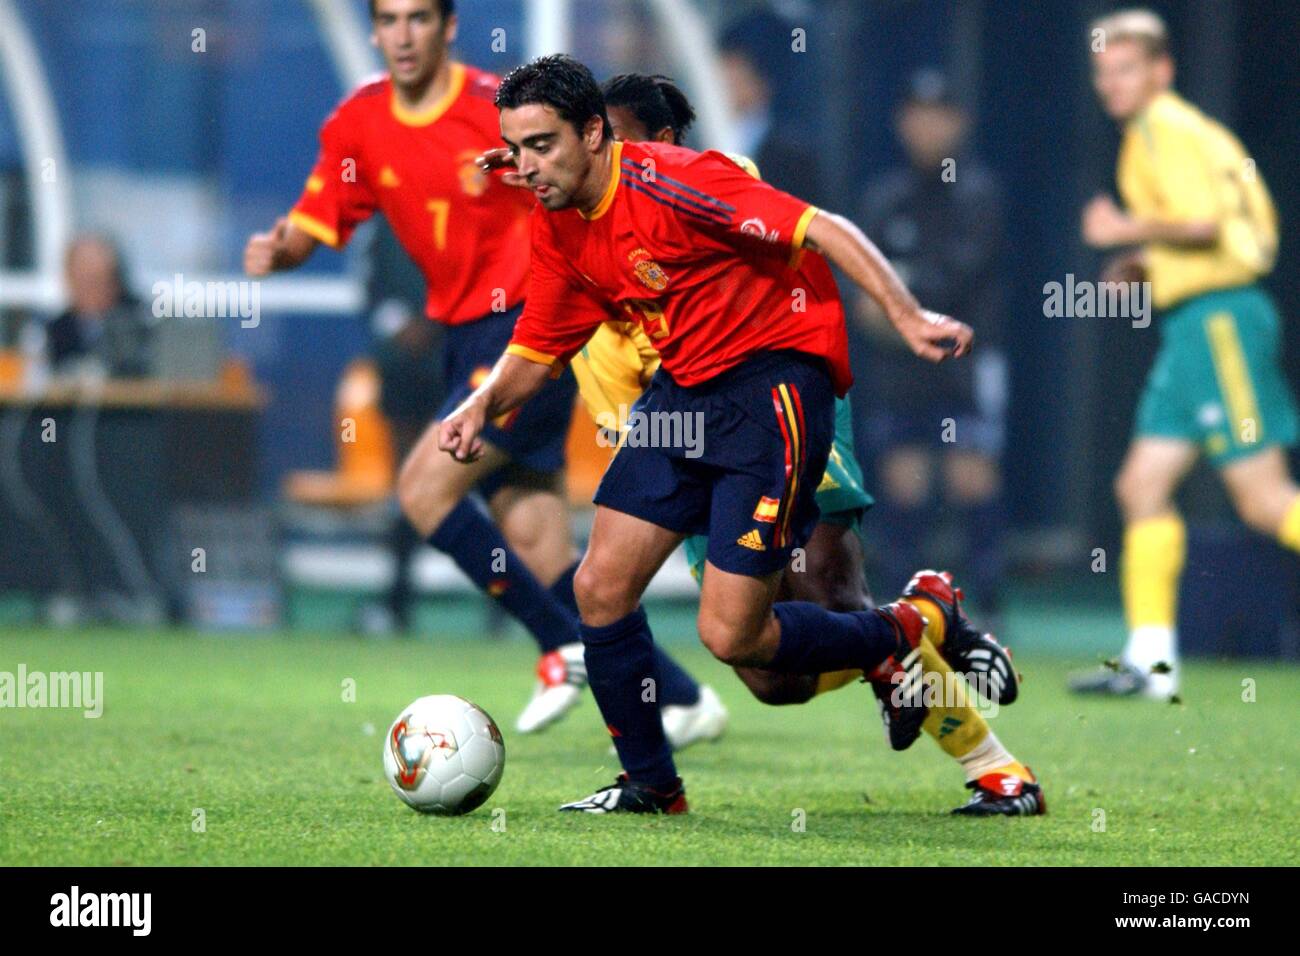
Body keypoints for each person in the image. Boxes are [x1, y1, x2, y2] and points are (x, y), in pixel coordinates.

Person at [442, 55, 1036, 816]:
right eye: (516, 149)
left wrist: (908, 315)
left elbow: (818, 226)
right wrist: (479, 406)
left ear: (598, 136)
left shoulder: (680, 178)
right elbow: (538, 345)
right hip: (681, 399)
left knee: (805, 600)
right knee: (645, 609)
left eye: (543, 146)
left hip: (772, 392)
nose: (527, 167)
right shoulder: (557, 222)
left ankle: (986, 750)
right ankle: (654, 786)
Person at [242, 0, 716, 739]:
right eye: (390, 20)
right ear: (374, 31)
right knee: (536, 543)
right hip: (461, 340)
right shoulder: (358, 123)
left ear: (448, 26)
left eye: (420, 19)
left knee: (423, 489)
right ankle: (680, 696)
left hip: (529, 333)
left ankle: (560, 645)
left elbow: (579, 193)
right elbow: (318, 220)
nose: (404, 35)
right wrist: (280, 251)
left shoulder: (499, 112)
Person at [1071, 9, 1300, 699]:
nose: (1111, 83)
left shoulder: (1165, 127)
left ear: (1161, 70)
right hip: (1193, 323)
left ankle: (1150, 663)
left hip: (1221, 321)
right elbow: (1202, 227)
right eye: (1103, 71)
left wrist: (1122, 228)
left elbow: (1205, 222)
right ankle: (1151, 665)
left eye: (1126, 68)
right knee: (1139, 488)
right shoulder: (1156, 132)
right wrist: (1145, 260)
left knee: (1263, 501)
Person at [855, 70, 1008, 619]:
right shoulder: (885, 196)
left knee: (972, 472)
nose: (925, 127)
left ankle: (987, 603)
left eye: (937, 115)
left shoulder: (978, 192)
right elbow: (863, 278)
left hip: (964, 361)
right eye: (915, 115)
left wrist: (897, 302)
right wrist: (876, 307)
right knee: (903, 477)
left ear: (958, 122)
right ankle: (907, 605)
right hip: (901, 365)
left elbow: (960, 277)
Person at [47, 234, 153, 379]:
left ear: (114, 281)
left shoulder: (141, 322)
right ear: (69, 279)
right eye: (83, 280)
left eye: (97, 279)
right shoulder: (56, 330)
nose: (90, 289)